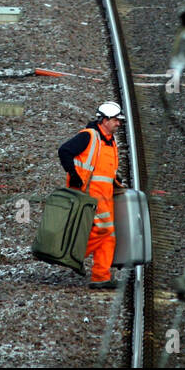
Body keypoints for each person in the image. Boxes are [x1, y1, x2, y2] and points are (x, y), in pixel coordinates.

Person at [57, 102, 126, 289]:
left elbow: (106, 171)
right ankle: (72, 255)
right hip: (89, 195)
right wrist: (75, 176)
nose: (118, 124)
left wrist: (118, 184)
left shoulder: (110, 141)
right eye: (115, 120)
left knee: (108, 235)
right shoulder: (89, 136)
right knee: (102, 231)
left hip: (104, 196)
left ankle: (101, 276)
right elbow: (64, 151)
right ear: (104, 120)